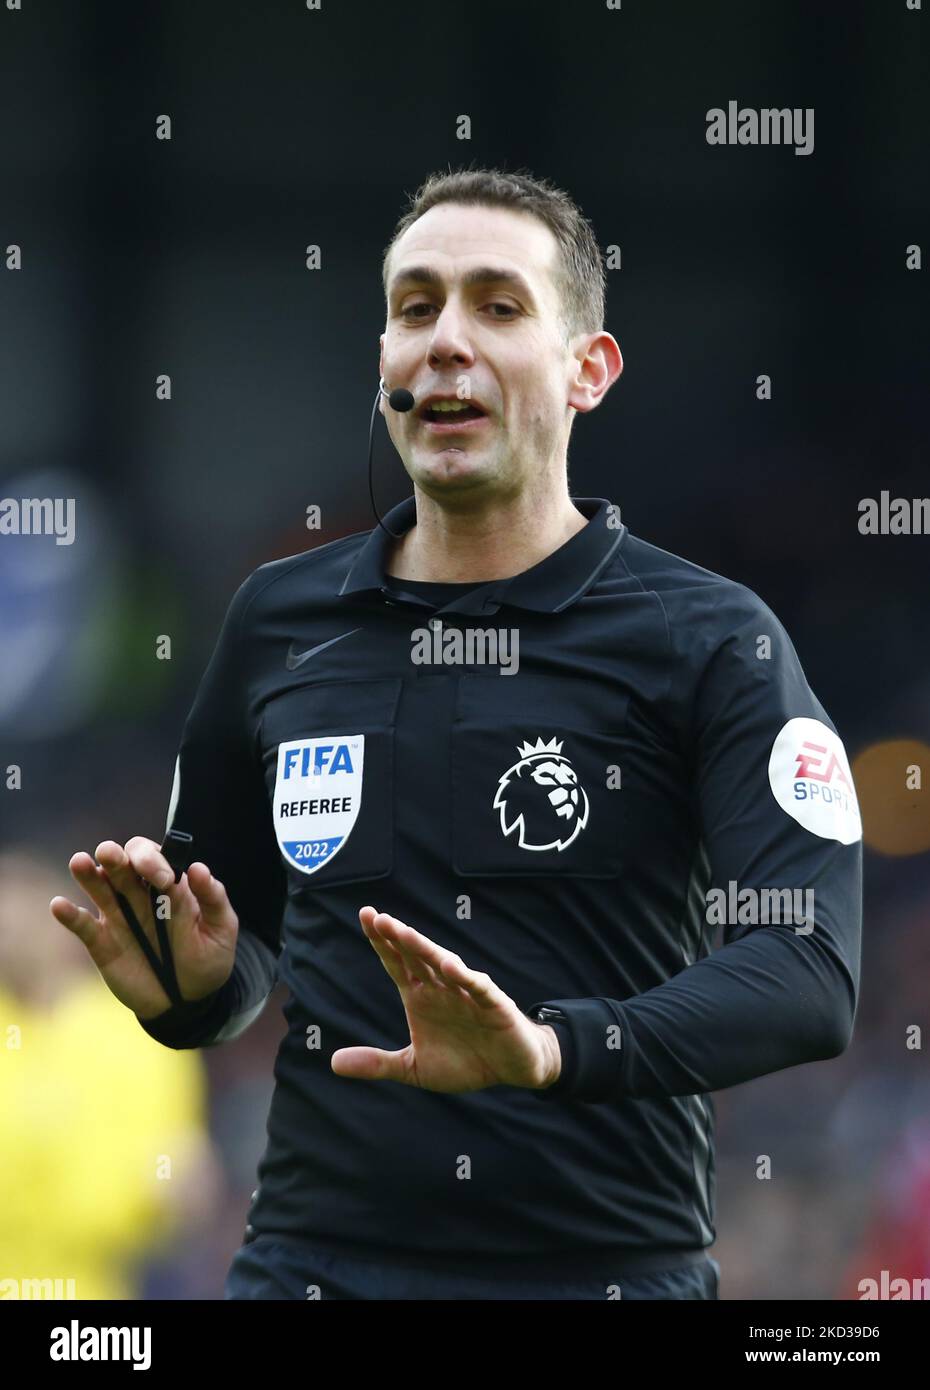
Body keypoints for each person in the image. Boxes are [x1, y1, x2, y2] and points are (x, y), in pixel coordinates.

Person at [50, 167, 862, 1301]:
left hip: (602, 1277)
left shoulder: (715, 640)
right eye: (416, 306)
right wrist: (193, 989)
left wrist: (553, 1047)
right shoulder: (278, 620)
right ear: (384, 361)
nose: (445, 340)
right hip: (307, 1271)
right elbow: (241, 956)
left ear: (590, 369)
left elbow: (808, 973)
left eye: (499, 304)